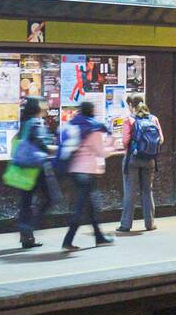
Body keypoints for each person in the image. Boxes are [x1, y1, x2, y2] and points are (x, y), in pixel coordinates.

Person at [61, 100, 113, 250]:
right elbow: (101, 152)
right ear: (91, 111)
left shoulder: (73, 125)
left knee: (90, 207)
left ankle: (99, 237)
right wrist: (112, 147)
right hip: (87, 172)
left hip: (74, 170)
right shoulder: (92, 128)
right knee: (80, 208)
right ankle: (67, 241)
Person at [15, 97, 57, 248]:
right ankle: (28, 227)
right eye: (44, 104)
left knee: (26, 201)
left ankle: (27, 237)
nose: (48, 106)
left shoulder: (25, 122)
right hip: (37, 167)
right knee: (52, 198)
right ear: (38, 107)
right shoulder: (36, 122)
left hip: (23, 166)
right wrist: (62, 150)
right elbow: (43, 146)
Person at [118, 94, 163, 233]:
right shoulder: (153, 119)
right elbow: (161, 139)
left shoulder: (129, 120)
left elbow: (125, 141)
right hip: (149, 160)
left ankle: (126, 225)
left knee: (130, 191)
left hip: (132, 159)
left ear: (131, 105)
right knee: (147, 191)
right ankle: (149, 224)